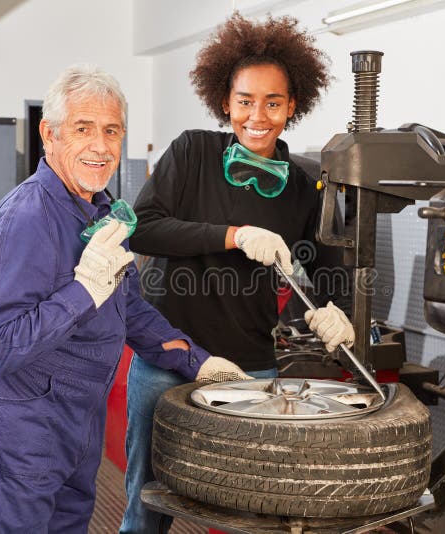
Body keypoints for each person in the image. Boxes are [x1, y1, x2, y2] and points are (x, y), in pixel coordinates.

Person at [0, 64, 250, 533]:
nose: (100, 146)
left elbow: (128, 307)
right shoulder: (27, 219)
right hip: (22, 422)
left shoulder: (99, 209)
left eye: (112, 131)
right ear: (48, 135)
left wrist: (199, 361)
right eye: (83, 129)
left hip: (77, 417)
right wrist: (83, 290)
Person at [121, 14, 355, 533]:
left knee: (247, 509)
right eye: (245, 101)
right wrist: (235, 235)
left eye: (273, 102)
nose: (258, 116)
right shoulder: (192, 152)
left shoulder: (302, 185)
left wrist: (337, 312)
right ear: (225, 101)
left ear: (292, 106)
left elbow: (320, 268)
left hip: (250, 368)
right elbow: (143, 230)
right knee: (147, 504)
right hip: (169, 356)